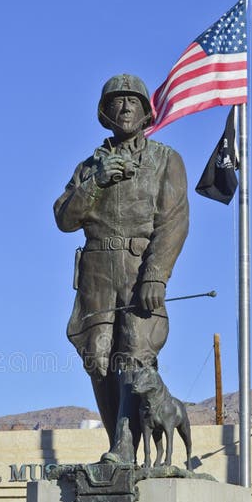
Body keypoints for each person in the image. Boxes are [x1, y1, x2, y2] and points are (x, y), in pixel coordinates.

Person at [53, 74, 189, 463]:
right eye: (117, 102)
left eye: (133, 101)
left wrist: (155, 274)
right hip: (96, 271)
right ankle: (119, 442)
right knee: (98, 360)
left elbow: (174, 222)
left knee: (133, 355)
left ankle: (125, 446)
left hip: (138, 268)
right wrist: (95, 183)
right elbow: (64, 219)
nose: (125, 107)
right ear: (105, 113)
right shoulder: (89, 166)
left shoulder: (166, 160)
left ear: (146, 112)